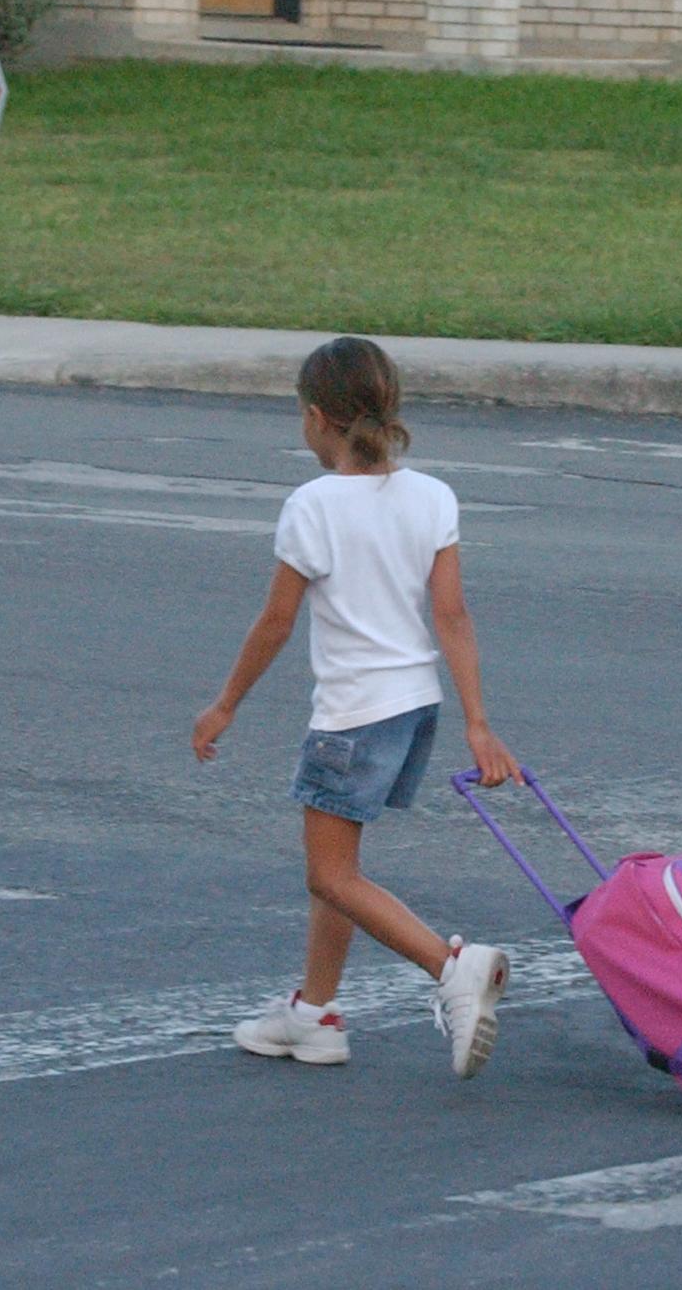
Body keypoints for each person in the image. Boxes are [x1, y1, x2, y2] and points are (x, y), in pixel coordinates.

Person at [192, 336, 520, 1078]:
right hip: (415, 709)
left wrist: (225, 705)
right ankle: (316, 1014)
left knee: (329, 875)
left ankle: (451, 967)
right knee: (340, 862)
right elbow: (453, 616)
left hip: (352, 716)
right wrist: (477, 723)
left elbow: (276, 622)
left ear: (316, 418)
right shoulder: (432, 496)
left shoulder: (312, 505)